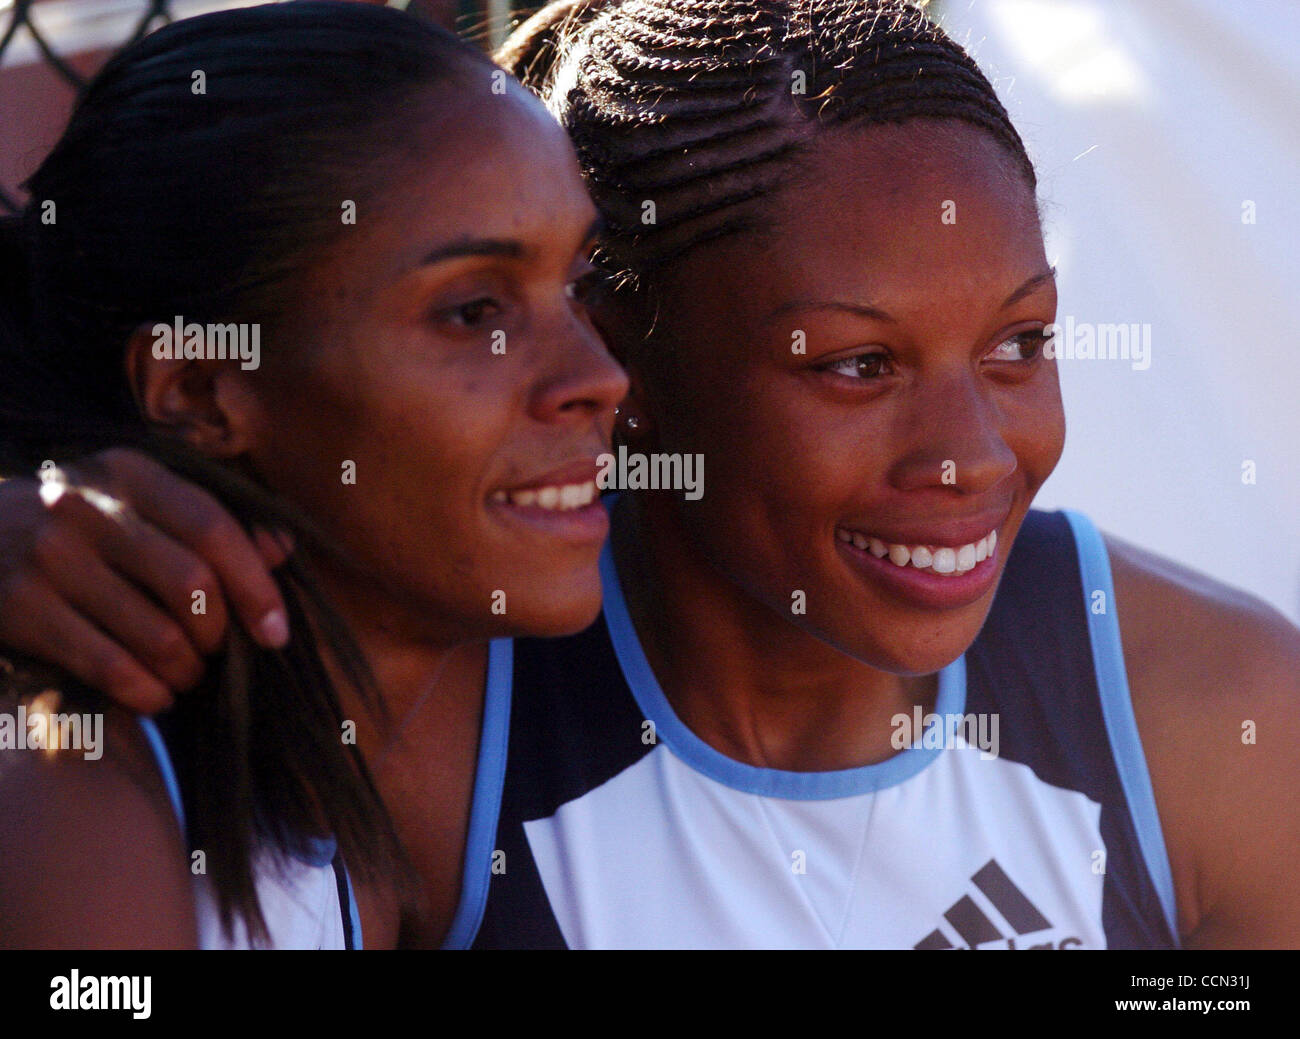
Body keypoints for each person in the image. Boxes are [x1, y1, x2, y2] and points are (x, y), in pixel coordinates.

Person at [3, 0, 1298, 949]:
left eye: (1023, 341)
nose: (967, 450)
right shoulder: (196, 775)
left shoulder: (1198, 705)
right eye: (852, 363)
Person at [0, 0, 626, 949]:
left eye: (577, 283)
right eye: (471, 310)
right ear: (204, 392)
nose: (599, 377)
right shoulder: (76, 803)